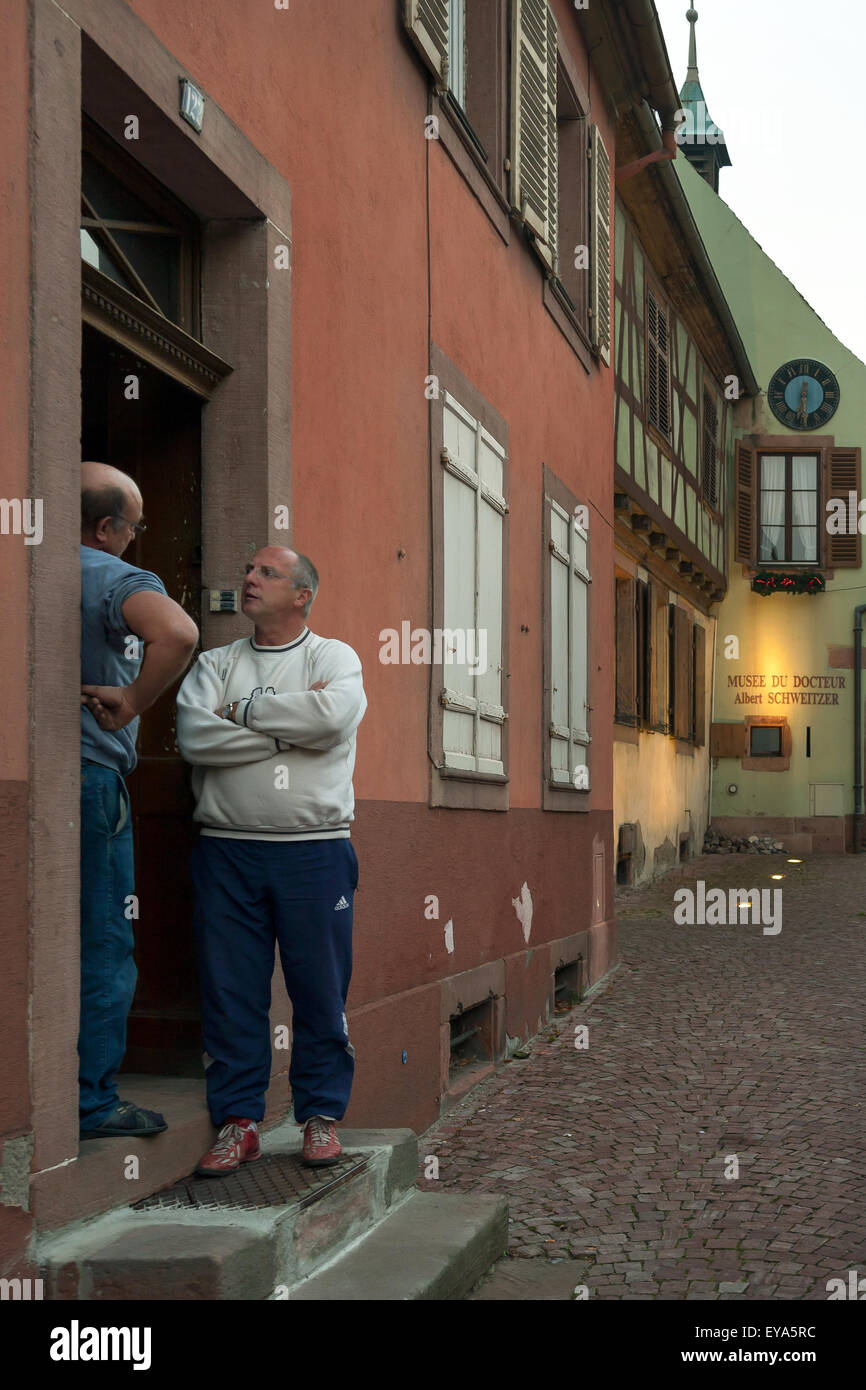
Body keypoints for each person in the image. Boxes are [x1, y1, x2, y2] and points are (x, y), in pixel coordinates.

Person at [175, 547, 366, 1175]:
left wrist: (244, 714)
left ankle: (319, 1117)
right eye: (248, 568)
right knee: (232, 992)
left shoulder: (333, 658)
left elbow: (335, 717)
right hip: (227, 852)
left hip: (314, 853)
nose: (247, 579)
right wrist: (292, 728)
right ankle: (238, 1122)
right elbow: (194, 737)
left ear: (302, 594)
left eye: (265, 573)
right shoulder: (214, 662)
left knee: (319, 991)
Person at [79, 462, 199, 1139]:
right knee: (104, 940)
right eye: (134, 527)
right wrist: (132, 701)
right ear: (105, 527)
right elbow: (178, 632)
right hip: (94, 777)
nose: (136, 539)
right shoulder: (110, 575)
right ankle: (92, 1103)